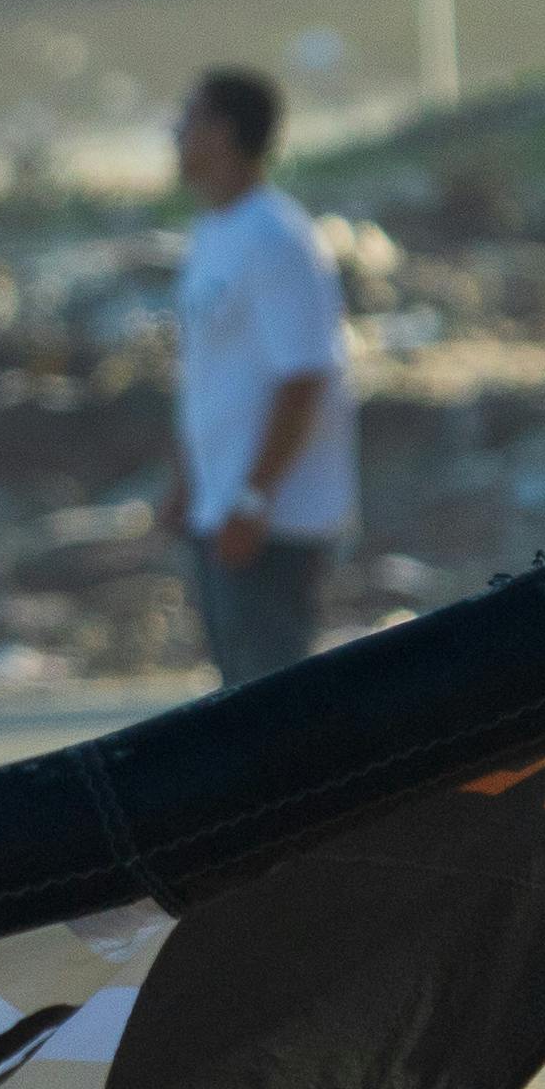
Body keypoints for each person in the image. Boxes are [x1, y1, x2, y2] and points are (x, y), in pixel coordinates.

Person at [162, 64, 354, 689]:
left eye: (188, 118)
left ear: (222, 131)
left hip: (275, 519)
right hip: (222, 510)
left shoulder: (277, 236)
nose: (176, 133)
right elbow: (212, 375)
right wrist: (188, 482)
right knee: (235, 693)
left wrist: (254, 497)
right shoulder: (214, 231)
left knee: (272, 703)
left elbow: (303, 377)